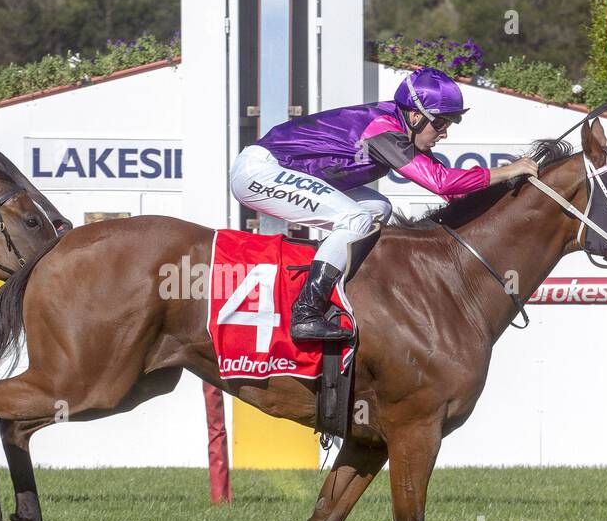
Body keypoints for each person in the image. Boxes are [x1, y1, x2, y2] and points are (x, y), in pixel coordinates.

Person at [230, 66, 540, 341]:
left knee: (377, 209)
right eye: (441, 123)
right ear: (417, 115)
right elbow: (442, 182)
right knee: (355, 220)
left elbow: (452, 194)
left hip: (283, 171)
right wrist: (509, 169)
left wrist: (511, 191)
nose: (444, 133)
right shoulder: (383, 130)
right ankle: (306, 312)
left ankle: (336, 284)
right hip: (261, 171)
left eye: (451, 124)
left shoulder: (400, 128)